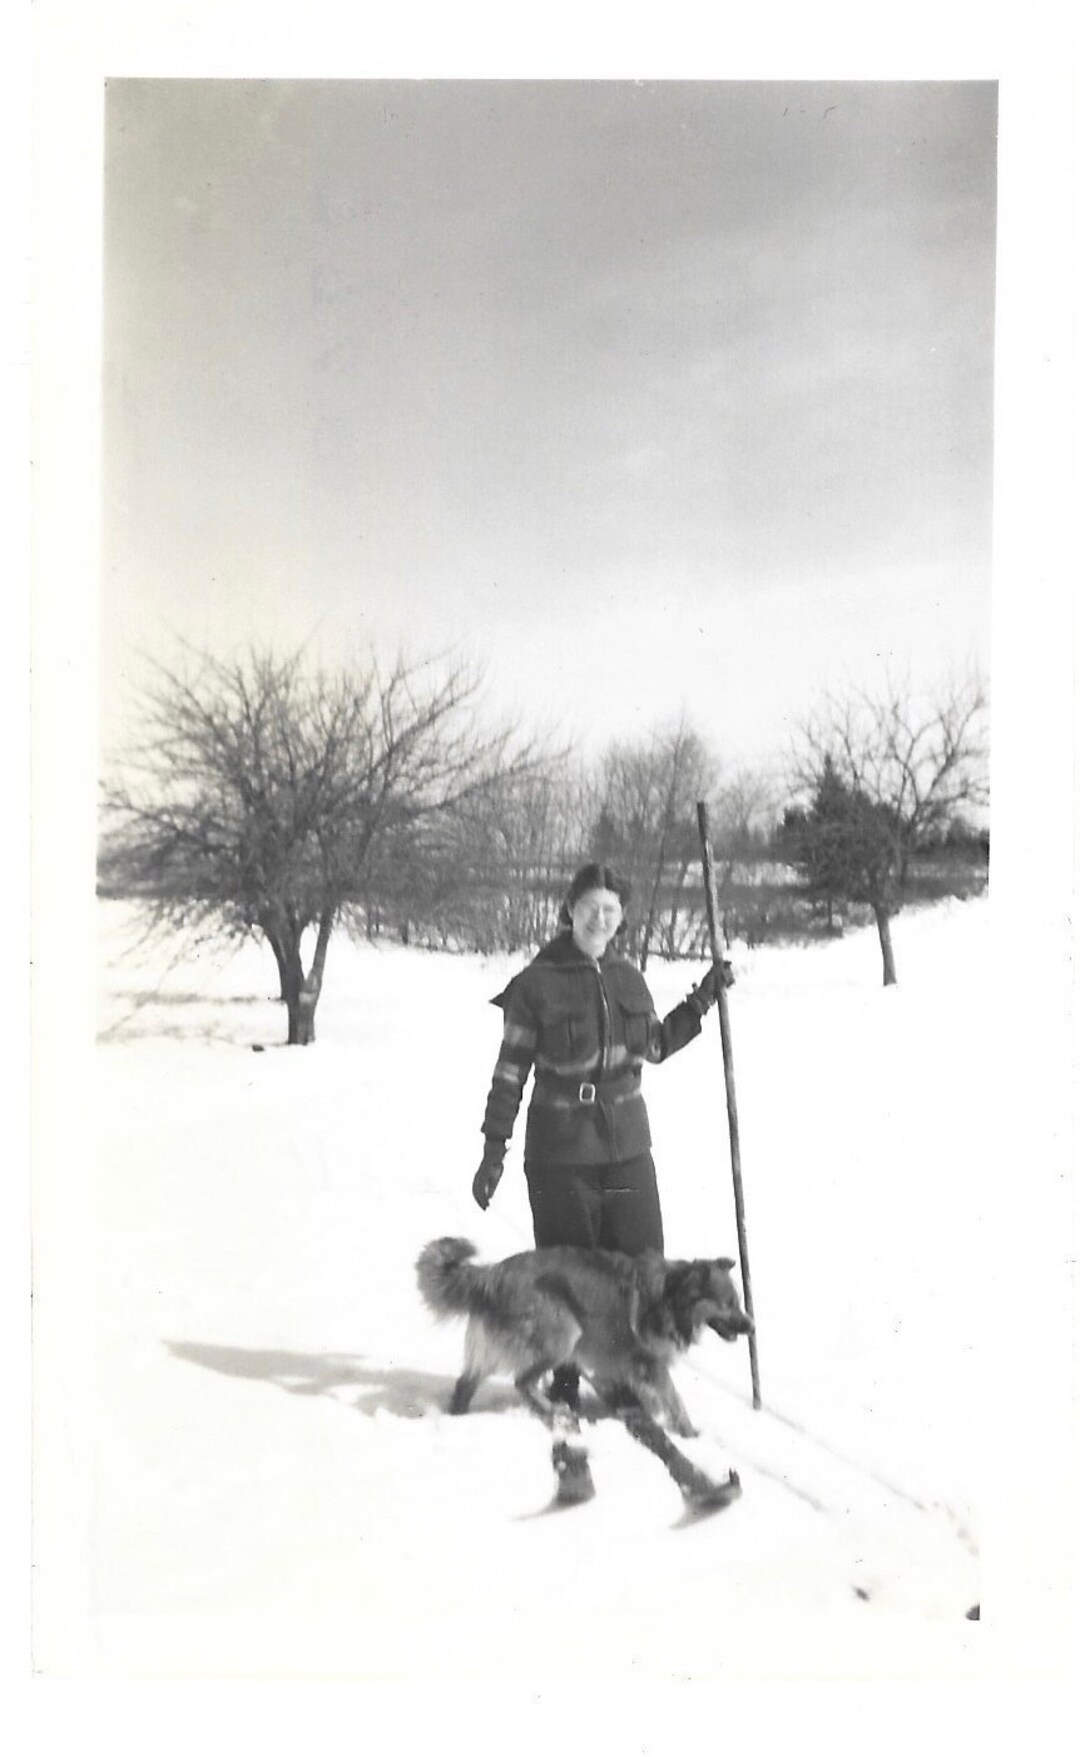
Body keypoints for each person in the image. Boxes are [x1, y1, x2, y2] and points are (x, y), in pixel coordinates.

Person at [472, 862, 733, 1270]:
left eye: (610, 909)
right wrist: (493, 1148)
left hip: (628, 1150)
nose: (600, 918)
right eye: (590, 907)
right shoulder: (536, 983)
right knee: (574, 1287)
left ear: (622, 917)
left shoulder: (629, 979)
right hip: (561, 1158)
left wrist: (701, 999)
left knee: (645, 1276)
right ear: (570, 909)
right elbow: (509, 1075)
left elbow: (656, 1047)